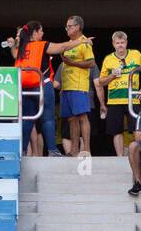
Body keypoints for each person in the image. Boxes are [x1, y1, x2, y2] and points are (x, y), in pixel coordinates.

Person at [12, 21, 93, 156]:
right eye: (41, 31)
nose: (43, 33)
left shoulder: (21, 48)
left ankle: (23, 150)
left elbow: (14, 54)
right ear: (35, 32)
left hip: (25, 87)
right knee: (48, 119)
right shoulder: (42, 45)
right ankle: (52, 150)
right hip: (43, 86)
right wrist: (82, 42)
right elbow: (62, 46)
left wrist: (15, 41)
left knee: (27, 119)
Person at [97, 31, 141, 158]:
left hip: (133, 99)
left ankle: (134, 155)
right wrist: (112, 75)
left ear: (126, 43)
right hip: (114, 99)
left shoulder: (136, 54)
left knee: (136, 129)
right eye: (117, 43)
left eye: (122, 43)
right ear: (113, 44)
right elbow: (101, 81)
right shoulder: (108, 59)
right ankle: (120, 157)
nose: (120, 45)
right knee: (116, 130)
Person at [59, 15, 95, 156]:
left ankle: (86, 149)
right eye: (66, 26)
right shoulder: (69, 43)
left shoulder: (84, 42)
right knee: (71, 119)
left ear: (78, 27)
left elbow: (91, 63)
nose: (67, 28)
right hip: (67, 87)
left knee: (82, 117)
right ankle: (74, 150)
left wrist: (72, 63)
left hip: (78, 86)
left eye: (70, 26)